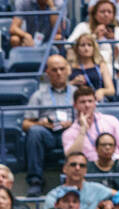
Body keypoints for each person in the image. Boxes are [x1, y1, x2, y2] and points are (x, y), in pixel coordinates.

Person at [22, 55, 75, 197]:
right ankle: (35, 181)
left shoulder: (77, 93)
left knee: (80, 132)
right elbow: (26, 123)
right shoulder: (39, 95)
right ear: (48, 73)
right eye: (54, 70)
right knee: (34, 131)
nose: (58, 73)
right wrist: (41, 123)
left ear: (68, 70)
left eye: (62, 69)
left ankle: (75, 181)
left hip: (71, 131)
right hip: (48, 133)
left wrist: (74, 124)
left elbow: (91, 119)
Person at [63, 84, 119, 166]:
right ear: (75, 105)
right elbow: (71, 157)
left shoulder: (111, 120)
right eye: (82, 102)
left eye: (90, 101)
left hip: (115, 165)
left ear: (95, 103)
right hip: (90, 170)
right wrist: (83, 130)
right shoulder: (69, 133)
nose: (87, 105)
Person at [44, 151, 114, 209]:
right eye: (73, 165)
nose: (77, 168)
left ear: (86, 170)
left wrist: (107, 205)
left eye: (82, 165)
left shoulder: (95, 189)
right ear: (64, 168)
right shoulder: (53, 196)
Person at [69, 0, 119, 72]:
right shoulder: (83, 27)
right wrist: (94, 36)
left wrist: (113, 41)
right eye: (102, 12)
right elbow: (69, 44)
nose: (106, 14)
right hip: (85, 66)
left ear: (113, 15)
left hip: (110, 67)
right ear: (95, 14)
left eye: (109, 12)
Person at [66, 33, 116, 101]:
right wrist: (73, 82)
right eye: (82, 45)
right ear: (77, 48)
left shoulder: (101, 65)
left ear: (94, 48)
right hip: (75, 101)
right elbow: (61, 88)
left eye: (89, 45)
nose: (86, 48)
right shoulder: (70, 67)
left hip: (96, 100)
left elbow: (111, 90)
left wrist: (102, 91)